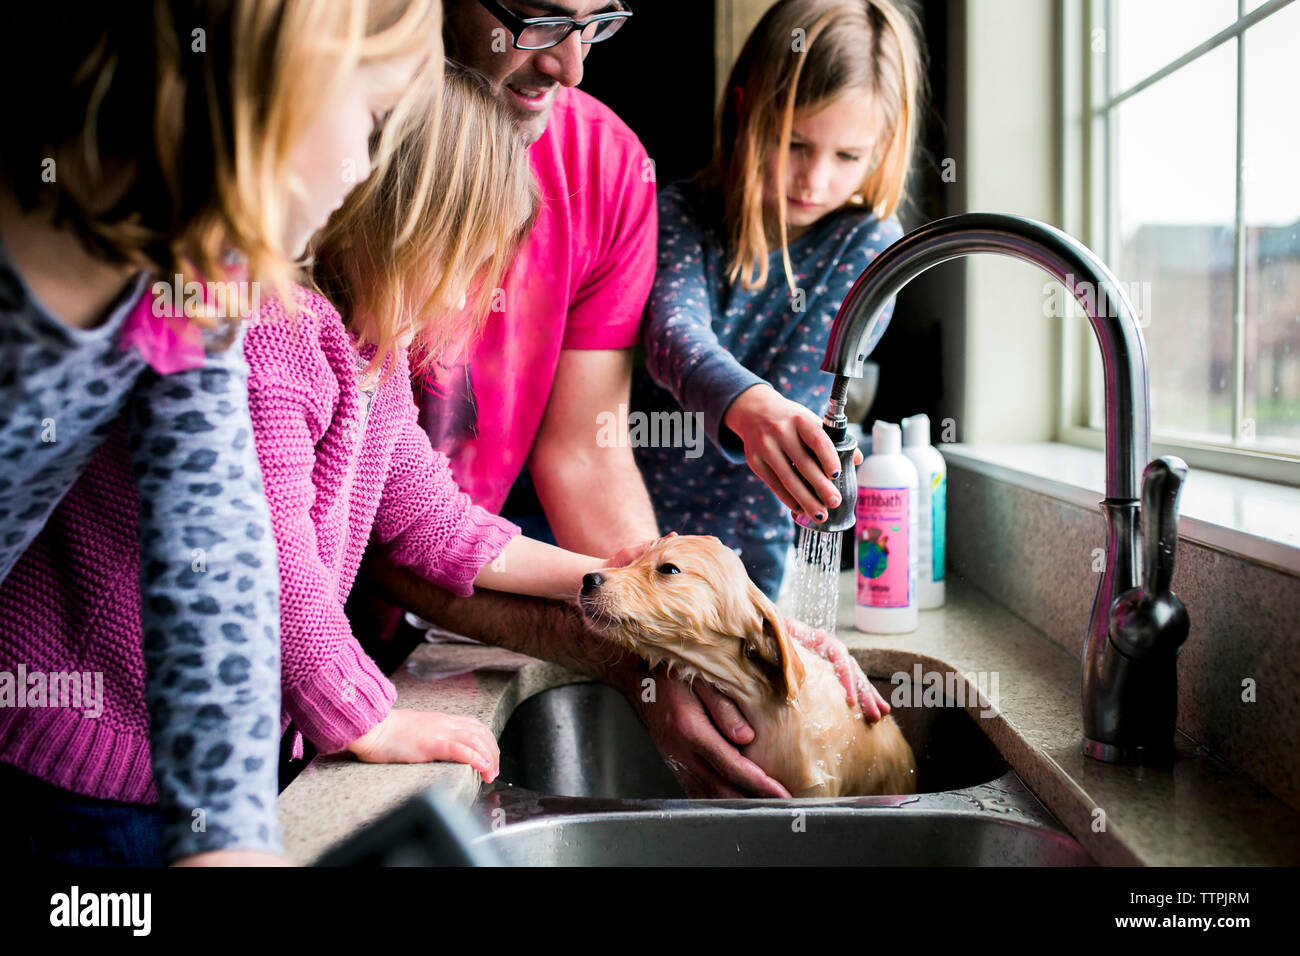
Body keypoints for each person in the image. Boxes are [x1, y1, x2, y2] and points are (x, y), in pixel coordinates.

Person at [362, 0, 889, 801]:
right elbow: (319, 552)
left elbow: (532, 475)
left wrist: (680, 627)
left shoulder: (605, 166)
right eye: (538, 18)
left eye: (598, 22)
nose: (572, 66)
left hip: (404, 653)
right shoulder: (331, 151)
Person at [0, 0, 441, 866]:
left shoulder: (193, 281)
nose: (363, 170)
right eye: (370, 117)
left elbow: (214, 552)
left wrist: (231, 839)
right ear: (270, 74)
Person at [632, 0, 921, 599]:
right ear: (745, 110)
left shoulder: (872, 249)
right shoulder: (681, 214)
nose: (814, 179)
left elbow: (802, 411)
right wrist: (752, 406)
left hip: (758, 568)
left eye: (847, 157)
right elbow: (672, 331)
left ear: (883, 146)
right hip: (632, 540)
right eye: (794, 143)